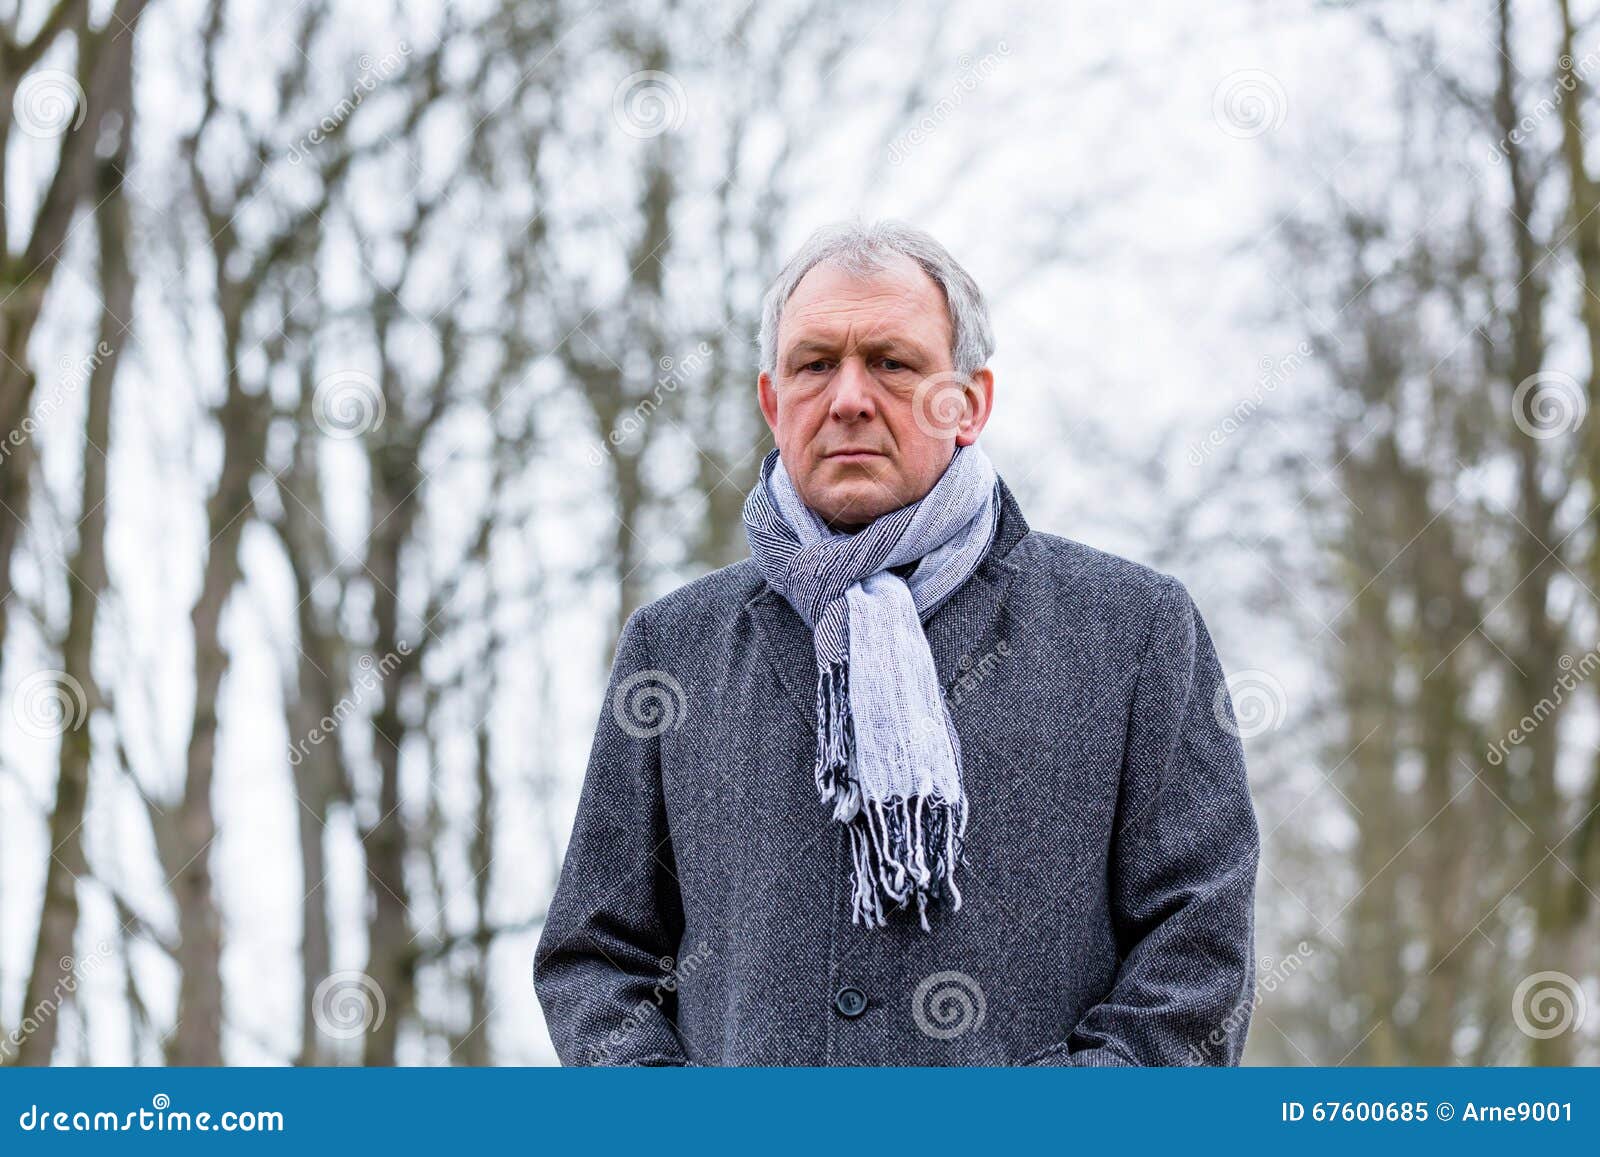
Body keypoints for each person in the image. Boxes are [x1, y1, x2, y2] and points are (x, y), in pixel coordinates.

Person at [533, 219, 1260, 1065]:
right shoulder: (674, 647)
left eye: (891, 362)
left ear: (969, 404)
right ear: (774, 402)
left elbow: (1199, 952)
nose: (847, 398)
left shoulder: (1135, 630)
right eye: (814, 365)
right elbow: (595, 956)